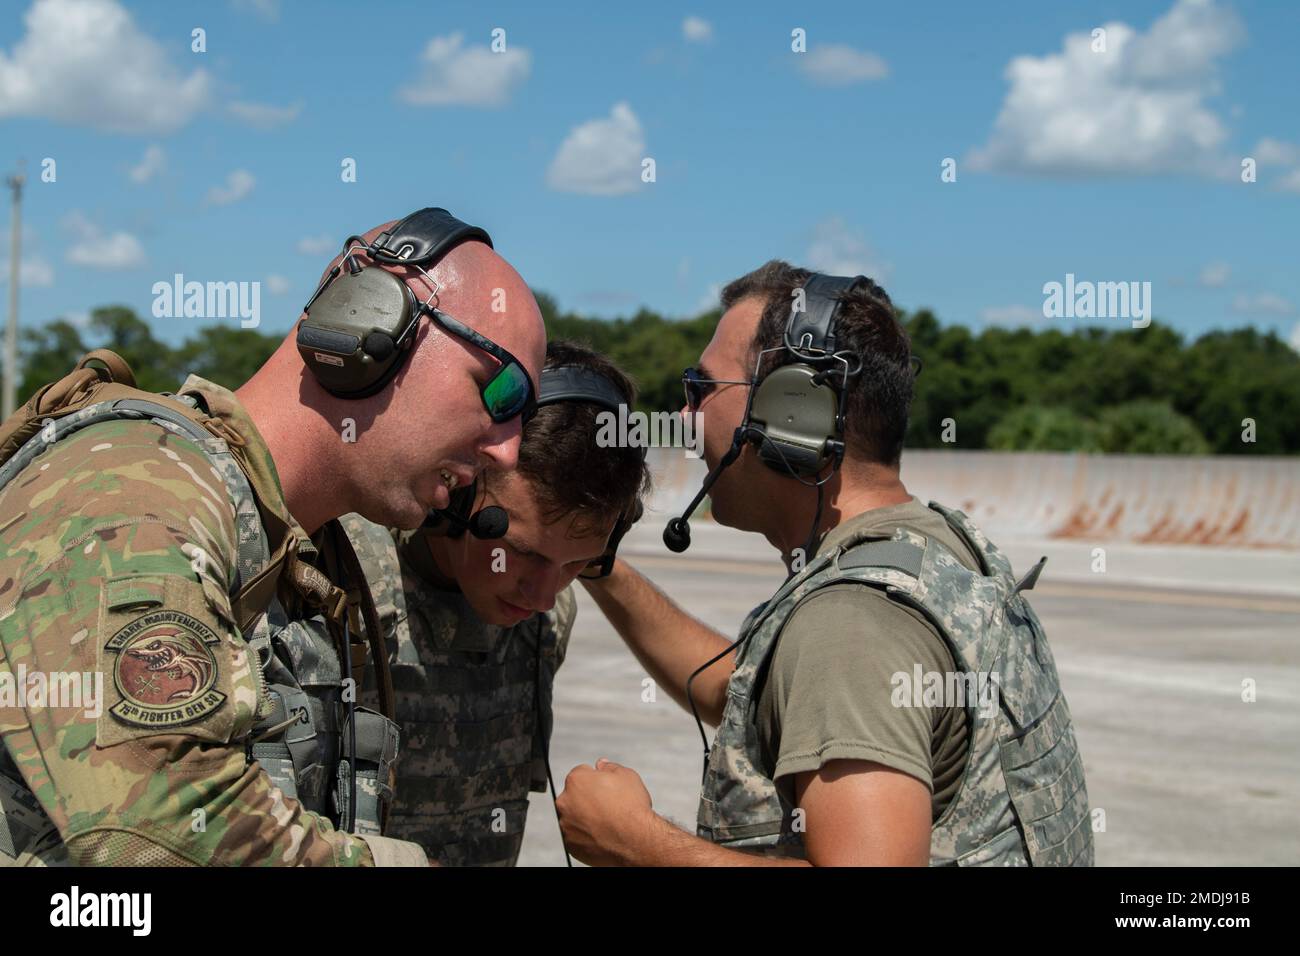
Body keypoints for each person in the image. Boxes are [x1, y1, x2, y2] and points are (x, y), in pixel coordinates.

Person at [0, 207, 544, 866]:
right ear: (370, 320)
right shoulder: (132, 493)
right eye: (499, 391)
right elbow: (158, 832)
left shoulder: (305, 564)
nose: (508, 450)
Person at [556, 260, 1093, 866]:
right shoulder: (935, 548)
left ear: (794, 412)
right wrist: (598, 566)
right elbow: (753, 694)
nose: (684, 420)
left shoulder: (851, 626)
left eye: (702, 391)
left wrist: (634, 841)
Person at [343, 340, 650, 865]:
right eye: (522, 553)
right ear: (456, 489)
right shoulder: (342, 583)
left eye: (577, 563)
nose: (543, 595)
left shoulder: (549, 620)